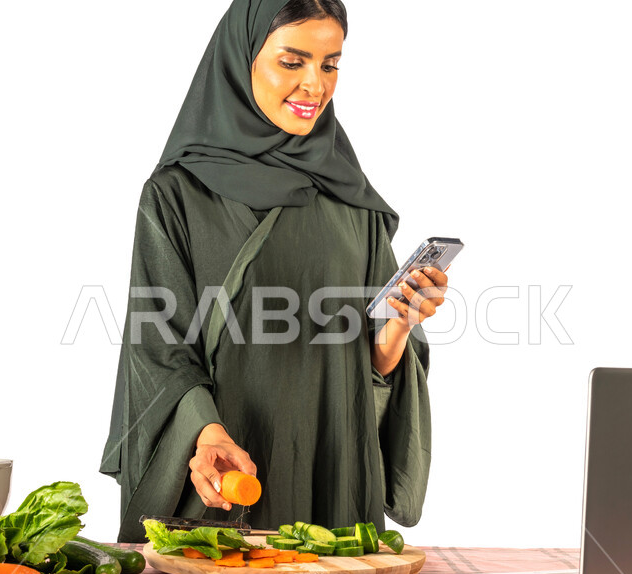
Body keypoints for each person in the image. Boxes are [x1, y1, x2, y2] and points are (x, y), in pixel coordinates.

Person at [100, 0, 450, 543]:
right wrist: (207, 434)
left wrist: (399, 327)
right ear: (241, 61)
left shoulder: (352, 200)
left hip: (333, 476)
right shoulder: (176, 195)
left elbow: (375, 367)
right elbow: (158, 347)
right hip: (222, 480)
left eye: (330, 64)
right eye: (293, 62)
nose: (315, 84)